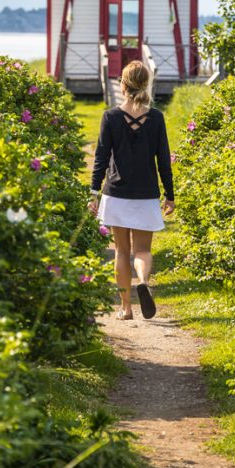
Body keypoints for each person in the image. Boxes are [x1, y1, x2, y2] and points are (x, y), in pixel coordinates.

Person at [88, 60, 175, 320]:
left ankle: (125, 308)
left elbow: (101, 158)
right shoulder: (156, 117)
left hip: (116, 193)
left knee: (121, 251)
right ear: (145, 84)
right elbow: (163, 159)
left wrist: (94, 193)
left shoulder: (111, 116)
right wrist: (169, 195)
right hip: (146, 194)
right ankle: (144, 282)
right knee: (143, 251)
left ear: (123, 85)